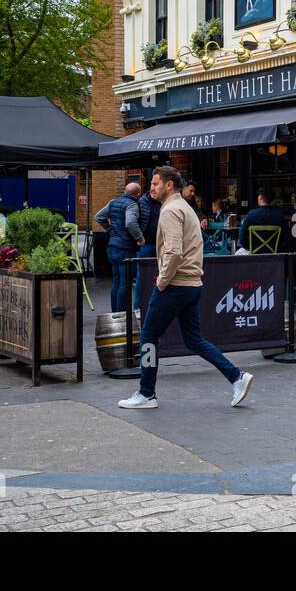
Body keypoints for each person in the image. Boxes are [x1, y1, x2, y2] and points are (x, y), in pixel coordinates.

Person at [118, 165, 253, 410]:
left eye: (156, 183)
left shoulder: (170, 210)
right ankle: (237, 377)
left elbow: (174, 251)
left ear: (169, 185)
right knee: (193, 340)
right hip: (192, 285)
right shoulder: (186, 208)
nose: (152, 188)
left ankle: (146, 393)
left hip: (175, 285)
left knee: (148, 336)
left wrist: (161, 281)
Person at [95, 181, 144, 313]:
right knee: (125, 282)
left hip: (112, 246)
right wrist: (140, 239)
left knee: (116, 281)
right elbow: (130, 223)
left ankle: (115, 313)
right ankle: (122, 314)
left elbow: (98, 217)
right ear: (138, 194)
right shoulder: (132, 204)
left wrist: (111, 230)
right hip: (125, 248)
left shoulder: (113, 202)